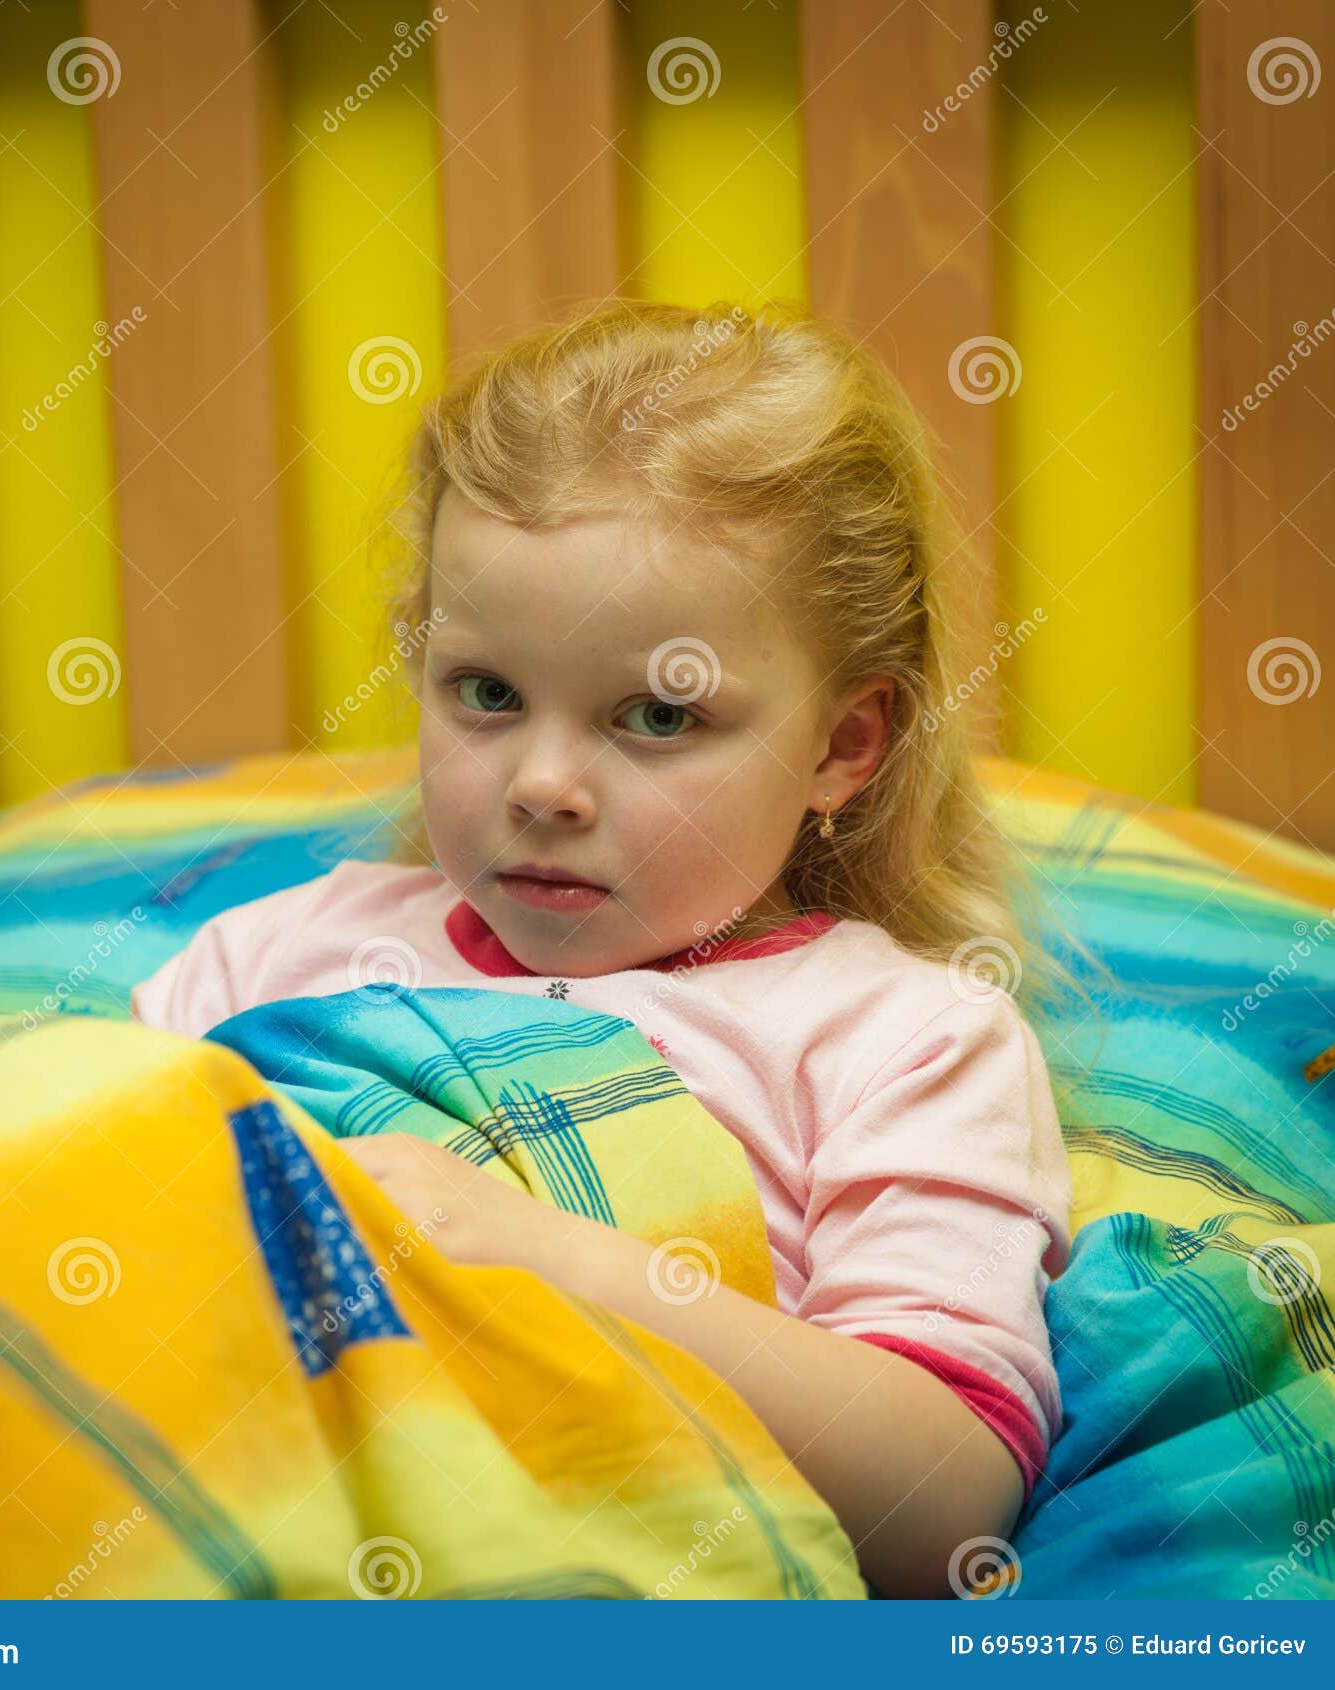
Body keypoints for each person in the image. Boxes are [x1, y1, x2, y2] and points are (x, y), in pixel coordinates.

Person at [130, 299, 1103, 1599]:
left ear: (842, 743)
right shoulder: (262, 959)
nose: (542, 783)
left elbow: (948, 1496)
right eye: (485, 691)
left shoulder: (907, 1038)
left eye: (654, 713)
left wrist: (536, 1252)